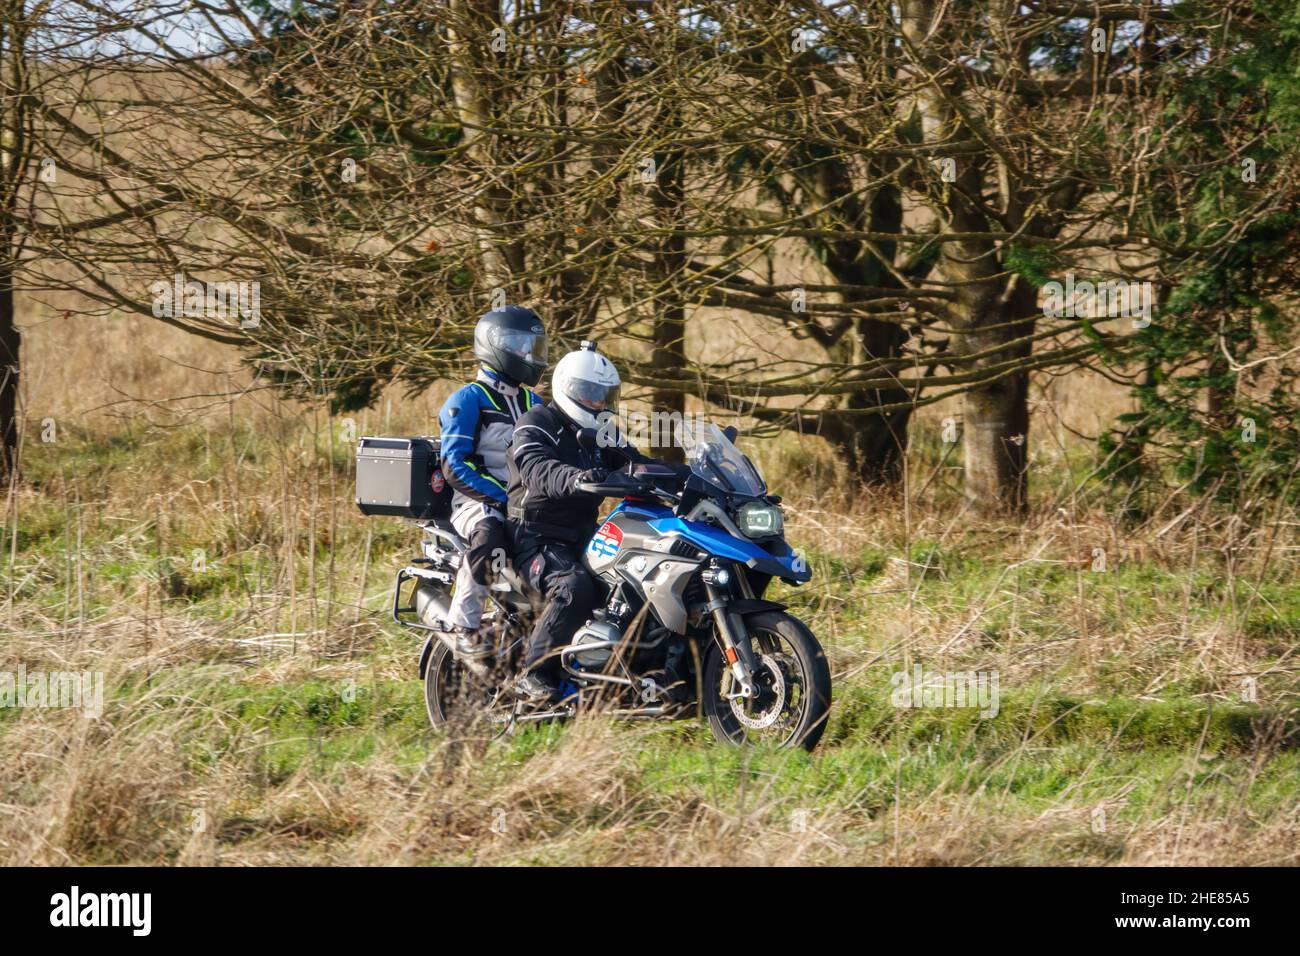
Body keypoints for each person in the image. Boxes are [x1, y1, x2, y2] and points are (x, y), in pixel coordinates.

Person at [505, 341, 651, 701]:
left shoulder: (603, 433)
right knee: (574, 587)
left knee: (636, 576)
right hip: (534, 537)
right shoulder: (536, 423)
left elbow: (636, 465)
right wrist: (576, 478)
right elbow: (538, 470)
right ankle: (533, 672)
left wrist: (689, 477)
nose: (600, 403)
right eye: (590, 393)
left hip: (583, 534)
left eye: (605, 395)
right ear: (567, 388)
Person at [437, 305, 547, 658]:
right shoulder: (468, 399)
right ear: (494, 345)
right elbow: (455, 465)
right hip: (478, 502)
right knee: (490, 535)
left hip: (527, 502)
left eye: (533, 346)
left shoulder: (533, 401)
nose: (529, 354)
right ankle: (463, 626)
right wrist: (503, 498)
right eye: (520, 345)